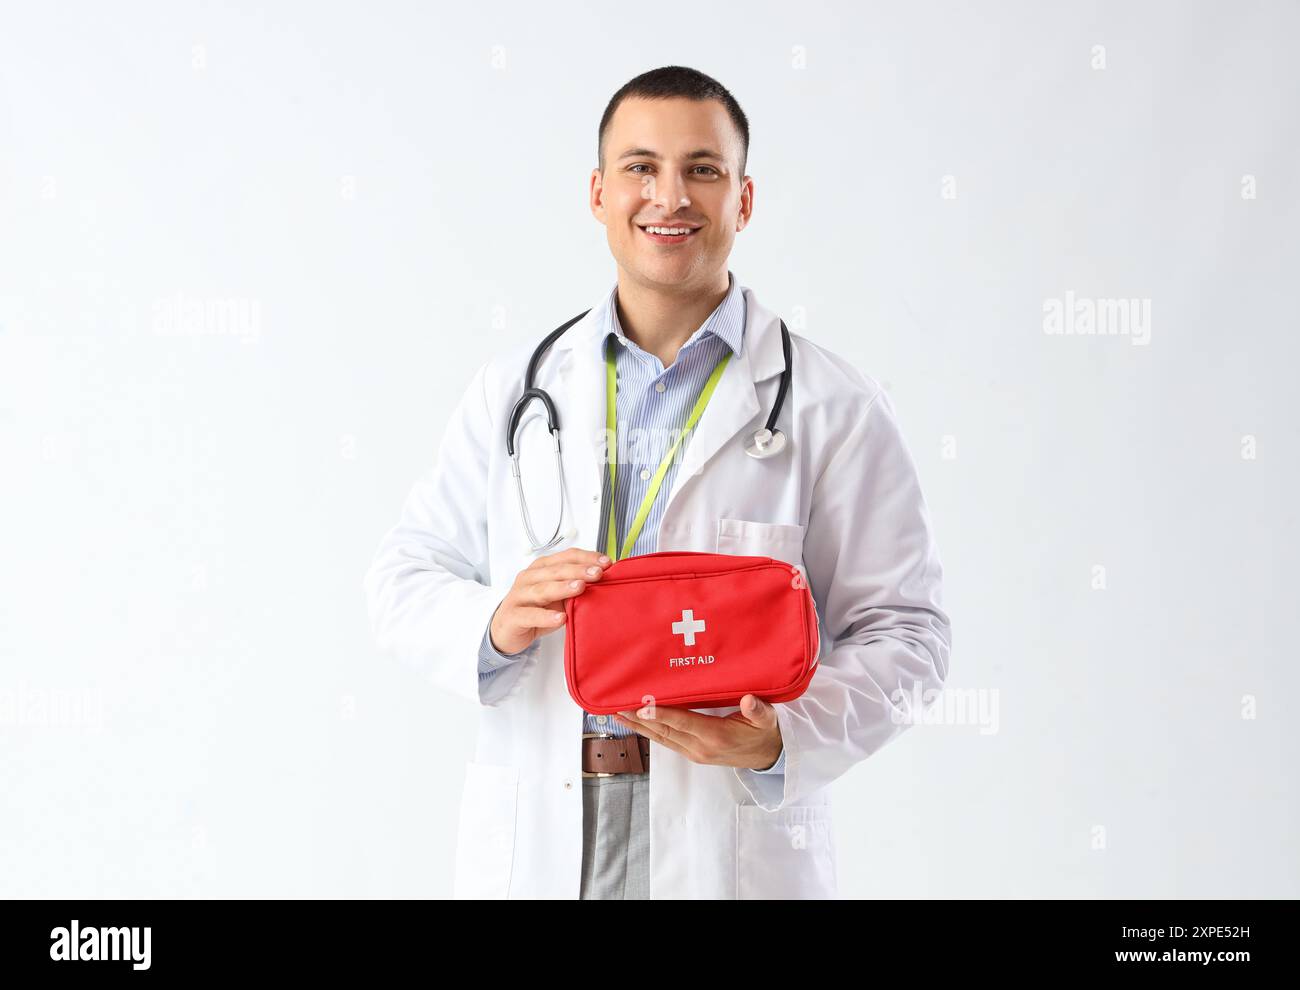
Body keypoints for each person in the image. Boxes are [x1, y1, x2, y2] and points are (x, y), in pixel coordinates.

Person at [363, 65, 951, 899]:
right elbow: (402, 575)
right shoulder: (515, 390)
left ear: (743, 200)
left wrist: (785, 734)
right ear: (599, 193)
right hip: (545, 828)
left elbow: (908, 631)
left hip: (727, 838)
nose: (668, 196)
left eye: (702, 170)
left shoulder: (834, 406)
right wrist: (492, 622)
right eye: (640, 167)